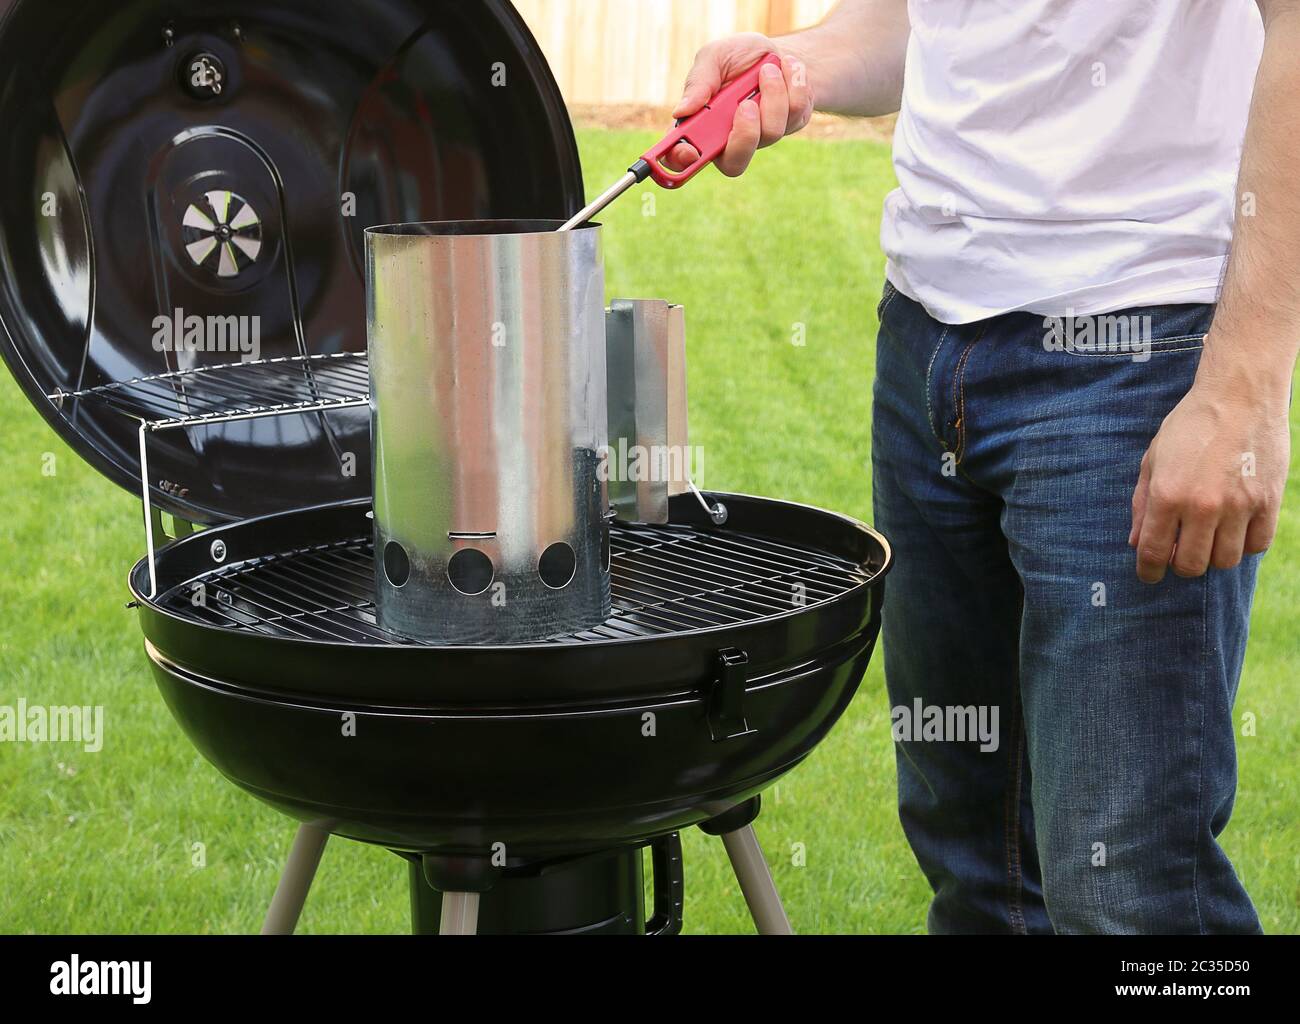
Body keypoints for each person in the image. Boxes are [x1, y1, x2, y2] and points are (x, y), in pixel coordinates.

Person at [670, 0, 1296, 934]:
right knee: (978, 867)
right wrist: (795, 62)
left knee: (1131, 894)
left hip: (1135, 348)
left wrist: (1244, 385)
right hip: (928, 342)